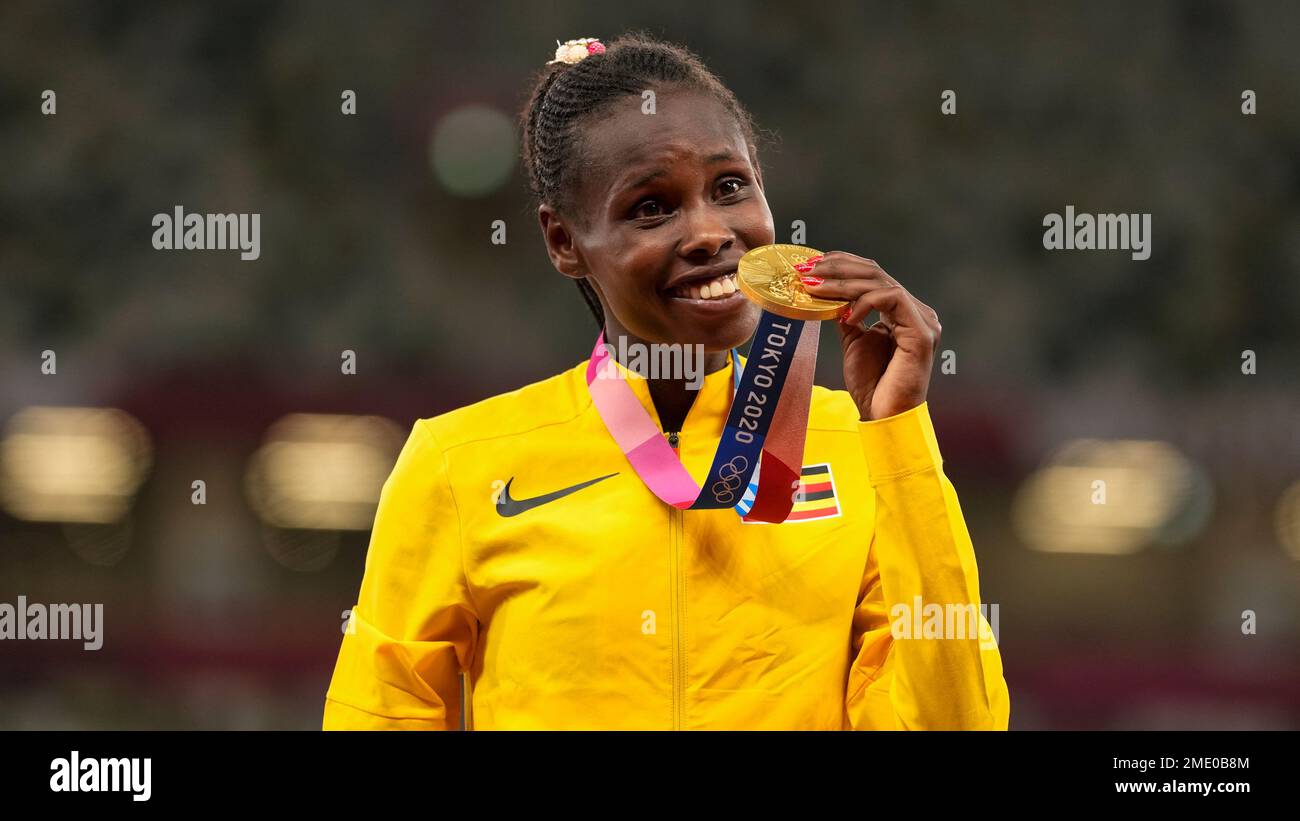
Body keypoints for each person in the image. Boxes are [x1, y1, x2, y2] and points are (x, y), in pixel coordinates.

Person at [323, 32, 1009, 730]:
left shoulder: (860, 451)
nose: (711, 231)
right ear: (564, 241)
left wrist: (899, 436)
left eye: (730, 186)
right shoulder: (458, 465)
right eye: (652, 206)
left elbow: (954, 723)